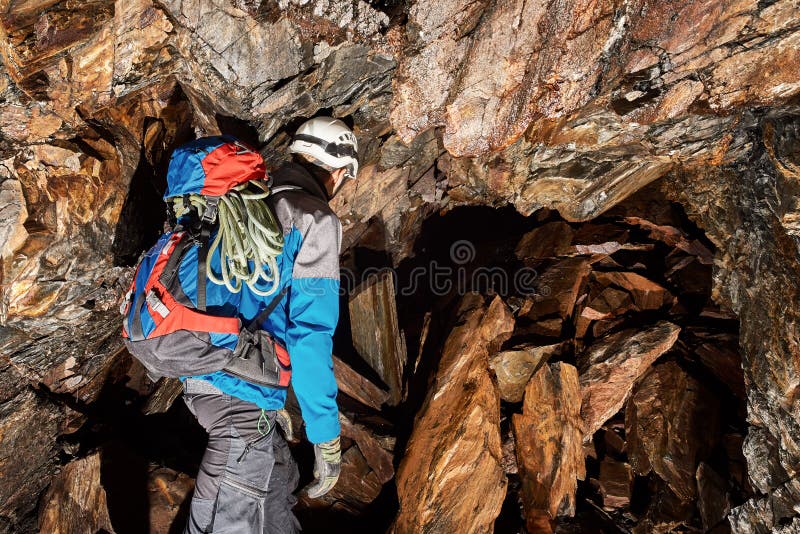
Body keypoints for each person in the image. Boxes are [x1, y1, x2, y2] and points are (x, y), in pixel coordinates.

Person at [180, 117, 358, 533]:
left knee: (277, 492)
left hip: (200, 373)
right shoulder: (314, 219)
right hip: (240, 398)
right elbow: (310, 335)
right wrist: (325, 435)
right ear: (336, 171)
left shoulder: (246, 201)